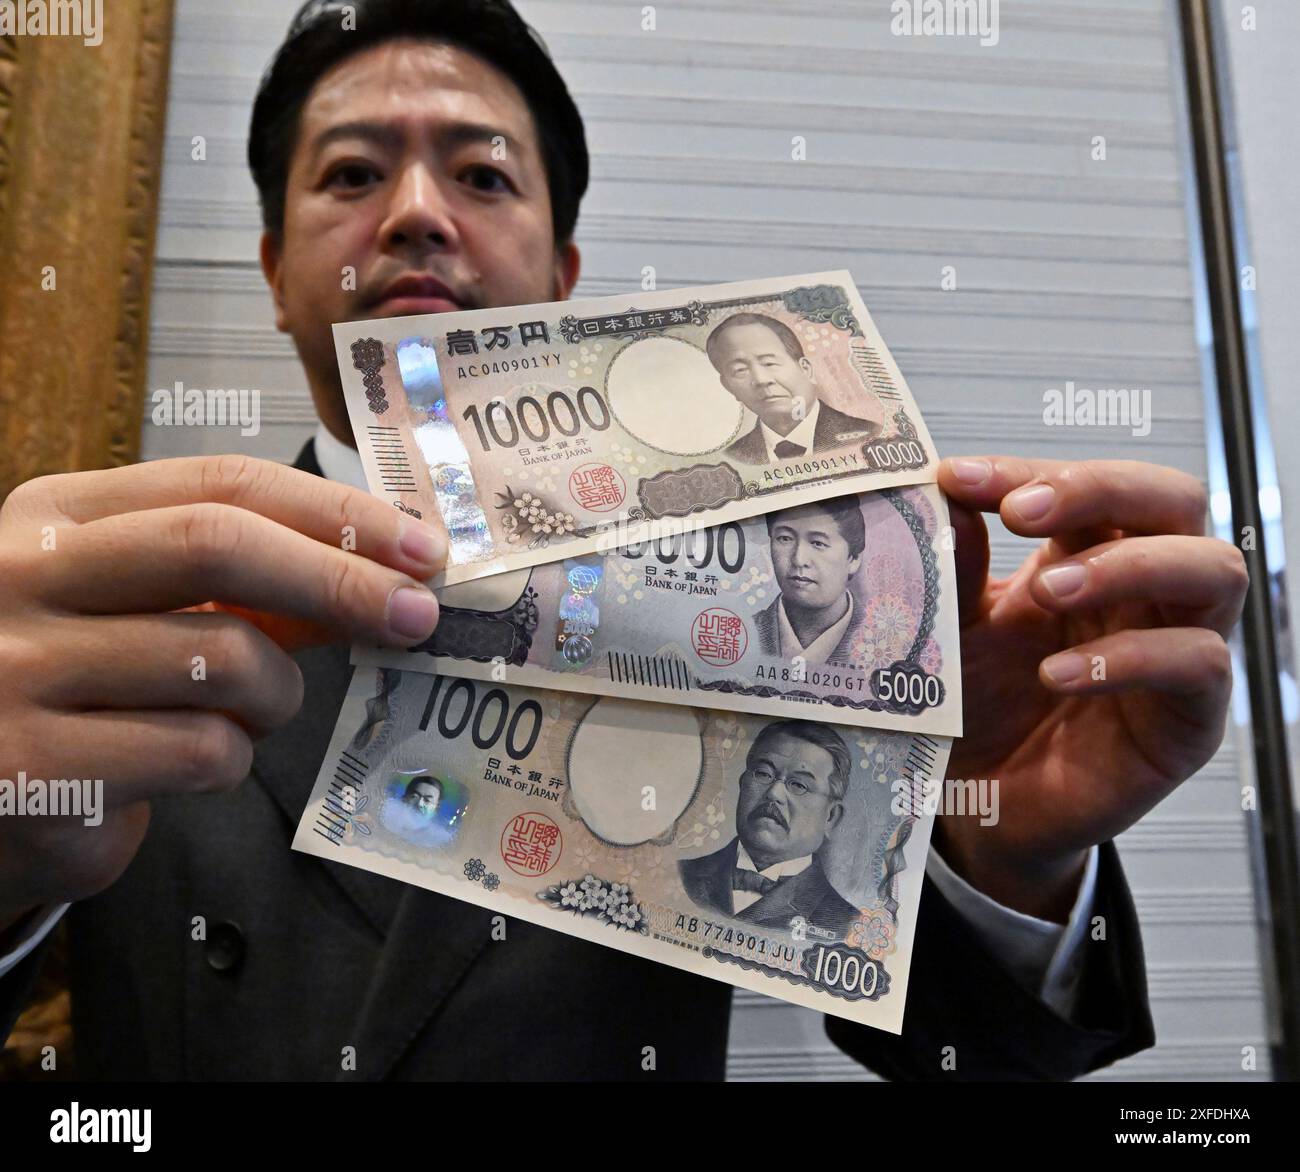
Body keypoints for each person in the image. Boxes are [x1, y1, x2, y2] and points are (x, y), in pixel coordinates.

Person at [0, 0, 1247, 1080]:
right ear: (276, 272)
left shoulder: (746, 613)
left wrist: (996, 835)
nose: (418, 213)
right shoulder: (122, 615)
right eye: (350, 174)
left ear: (562, 273)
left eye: (483, 175)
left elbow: (985, 1063)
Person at [679, 721, 859, 937]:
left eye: (799, 785)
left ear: (831, 817)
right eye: (763, 774)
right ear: (742, 783)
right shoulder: (681, 875)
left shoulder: (848, 927)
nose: (774, 793)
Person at [706, 312, 882, 463]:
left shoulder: (871, 435)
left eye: (769, 363)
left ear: (806, 369)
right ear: (728, 386)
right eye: (740, 370)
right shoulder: (734, 458)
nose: (761, 380)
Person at [754, 498, 867, 663]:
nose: (799, 560)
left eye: (818, 543)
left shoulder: (882, 643)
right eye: (785, 538)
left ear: (854, 559)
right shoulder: (742, 632)